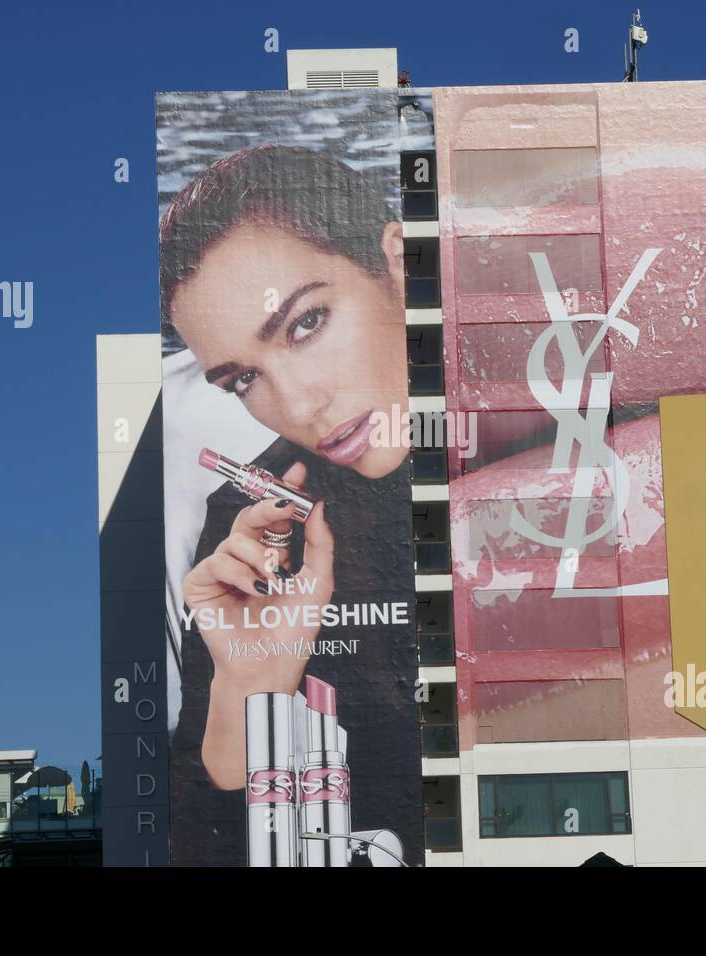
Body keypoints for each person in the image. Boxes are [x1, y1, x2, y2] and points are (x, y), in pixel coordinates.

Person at [160, 144, 420, 865]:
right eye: (244, 379)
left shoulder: (566, 428)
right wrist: (248, 688)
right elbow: (197, 848)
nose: (298, 404)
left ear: (396, 263)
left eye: (306, 323)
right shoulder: (247, 535)